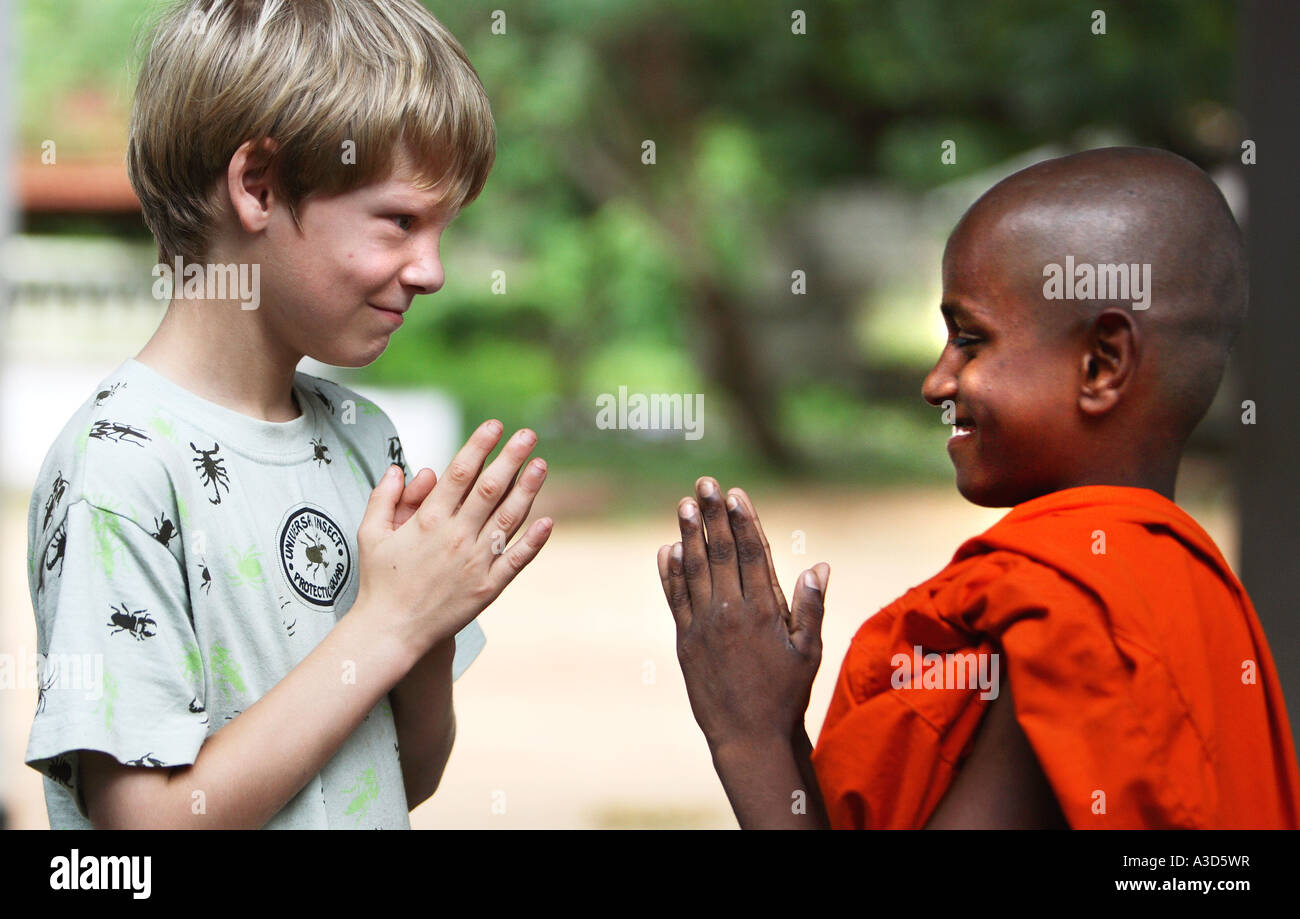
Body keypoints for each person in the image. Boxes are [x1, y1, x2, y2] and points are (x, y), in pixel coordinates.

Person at [656, 146, 1300, 829]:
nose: (936, 382)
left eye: (970, 339)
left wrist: (746, 739)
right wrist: (783, 735)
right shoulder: (1184, 592)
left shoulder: (1069, 620)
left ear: (1102, 363)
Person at [25, 0, 553, 829]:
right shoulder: (120, 467)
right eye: (402, 221)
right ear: (259, 186)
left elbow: (403, 775)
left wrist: (429, 628)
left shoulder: (362, 437)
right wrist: (388, 624)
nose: (433, 270)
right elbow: (143, 827)